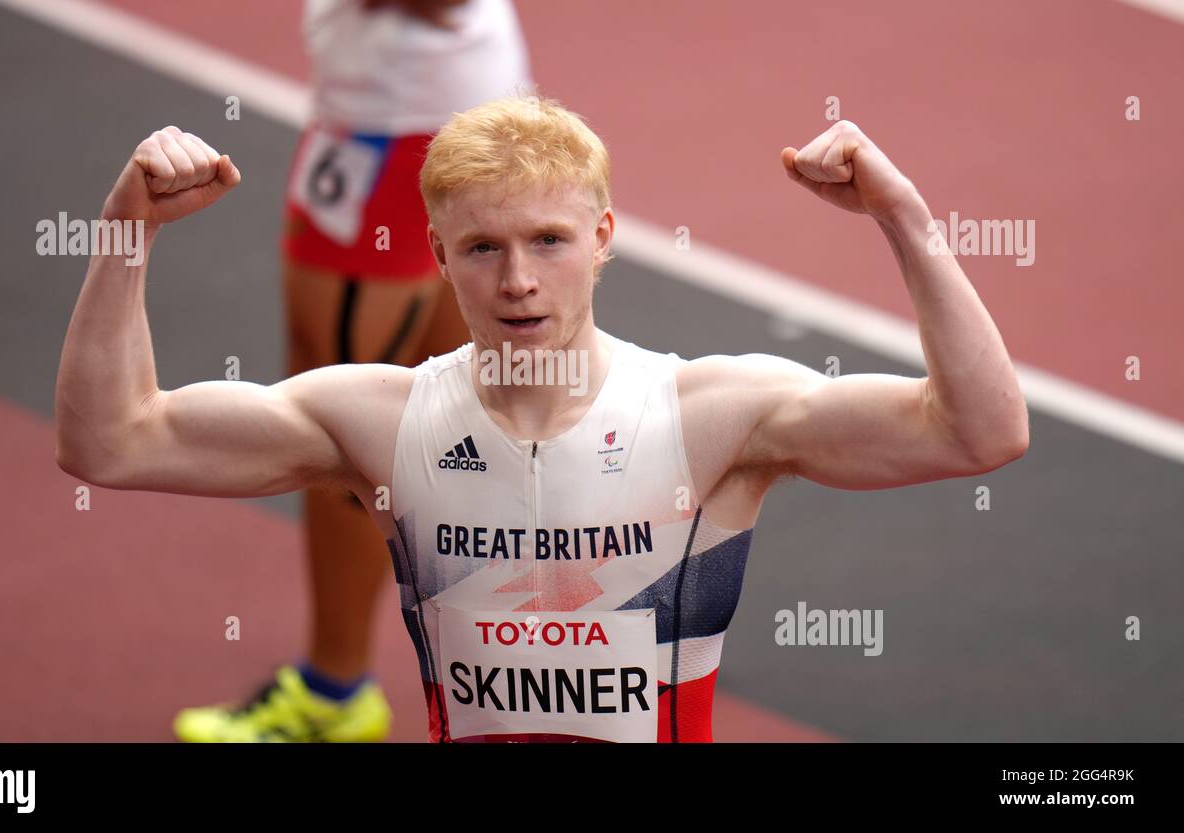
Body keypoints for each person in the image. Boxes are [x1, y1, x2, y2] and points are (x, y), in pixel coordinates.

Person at [55, 96, 1029, 742]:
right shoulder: (379, 419)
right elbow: (112, 439)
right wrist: (124, 227)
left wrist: (901, 215)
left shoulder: (713, 414)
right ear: (437, 254)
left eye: (548, 240)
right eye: (482, 247)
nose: (518, 280)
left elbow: (977, 430)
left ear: (602, 238)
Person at [172, 0, 530, 742]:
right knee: (453, 419)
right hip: (431, 111)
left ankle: (334, 693)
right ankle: (514, 698)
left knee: (344, 434)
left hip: (394, 132)